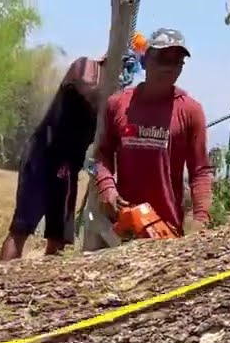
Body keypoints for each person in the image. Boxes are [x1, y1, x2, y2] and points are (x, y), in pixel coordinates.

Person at [0, 35, 146, 262]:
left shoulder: (113, 100)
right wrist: (111, 85)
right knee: (21, 228)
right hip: (42, 157)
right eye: (128, 63)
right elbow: (89, 87)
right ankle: (2, 282)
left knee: (58, 238)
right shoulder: (85, 67)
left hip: (68, 167)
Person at [90, 28, 213, 248]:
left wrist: (200, 221)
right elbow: (102, 155)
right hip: (122, 226)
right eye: (164, 58)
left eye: (178, 61)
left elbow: (200, 171)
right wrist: (107, 188)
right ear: (146, 60)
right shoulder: (118, 104)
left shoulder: (190, 111)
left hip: (164, 231)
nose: (171, 66)